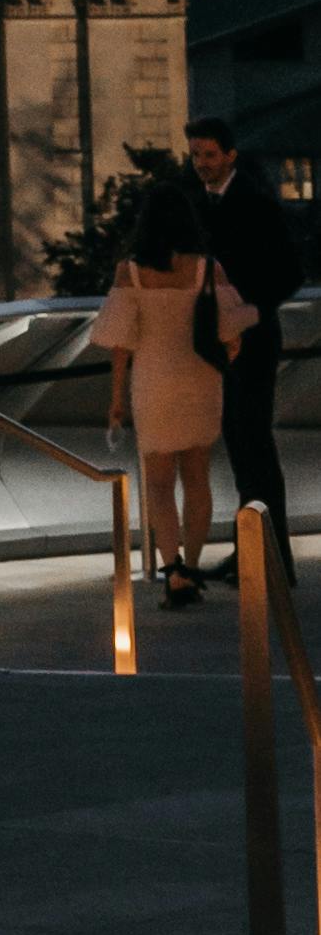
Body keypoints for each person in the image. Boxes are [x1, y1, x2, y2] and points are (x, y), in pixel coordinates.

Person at [95, 170, 249, 610]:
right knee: (197, 478)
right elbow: (234, 336)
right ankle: (195, 567)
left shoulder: (131, 273)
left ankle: (174, 570)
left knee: (159, 484)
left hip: (153, 380)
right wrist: (217, 370)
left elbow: (120, 344)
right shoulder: (207, 268)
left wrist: (115, 403)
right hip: (200, 378)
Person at [187, 117, 298, 562]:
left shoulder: (255, 203)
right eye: (196, 155)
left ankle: (269, 554)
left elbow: (290, 272)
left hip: (251, 338)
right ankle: (253, 551)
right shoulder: (200, 203)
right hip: (225, 340)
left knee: (253, 442)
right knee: (241, 441)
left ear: (230, 155)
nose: (201, 164)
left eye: (209, 155)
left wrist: (247, 312)